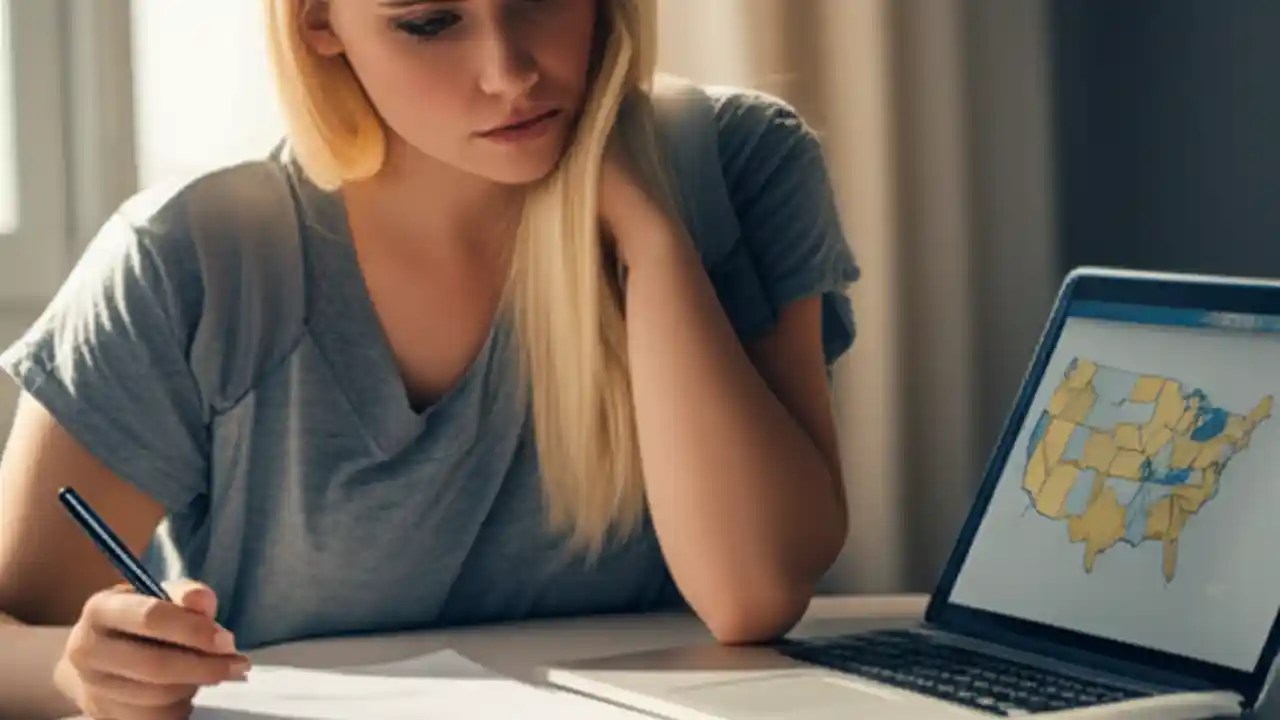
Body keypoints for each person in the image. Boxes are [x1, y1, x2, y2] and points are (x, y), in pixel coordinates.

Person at [0, 0, 860, 717]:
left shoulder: (739, 164)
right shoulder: (188, 262)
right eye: (427, 20)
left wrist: (651, 234)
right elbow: (13, 628)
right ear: (319, 23)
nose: (511, 71)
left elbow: (754, 592)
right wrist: (79, 670)